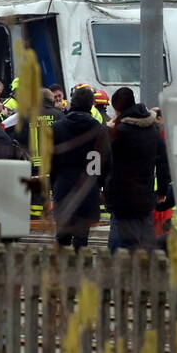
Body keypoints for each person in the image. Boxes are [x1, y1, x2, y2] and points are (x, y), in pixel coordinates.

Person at [104, 87, 172, 252]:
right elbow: (163, 161)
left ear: (118, 108)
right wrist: (162, 190)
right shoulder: (152, 131)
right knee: (145, 236)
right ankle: (146, 268)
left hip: (122, 195)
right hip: (146, 195)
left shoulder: (119, 132)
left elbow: (103, 158)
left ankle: (115, 268)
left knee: (119, 239)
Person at [51, 86, 111, 250]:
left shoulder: (57, 128)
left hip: (63, 184)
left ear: (73, 102)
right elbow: (105, 161)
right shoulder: (100, 130)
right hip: (88, 186)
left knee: (62, 235)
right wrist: (100, 184)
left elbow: (50, 160)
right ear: (91, 104)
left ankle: (60, 270)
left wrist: (54, 184)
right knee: (81, 236)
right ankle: (80, 268)